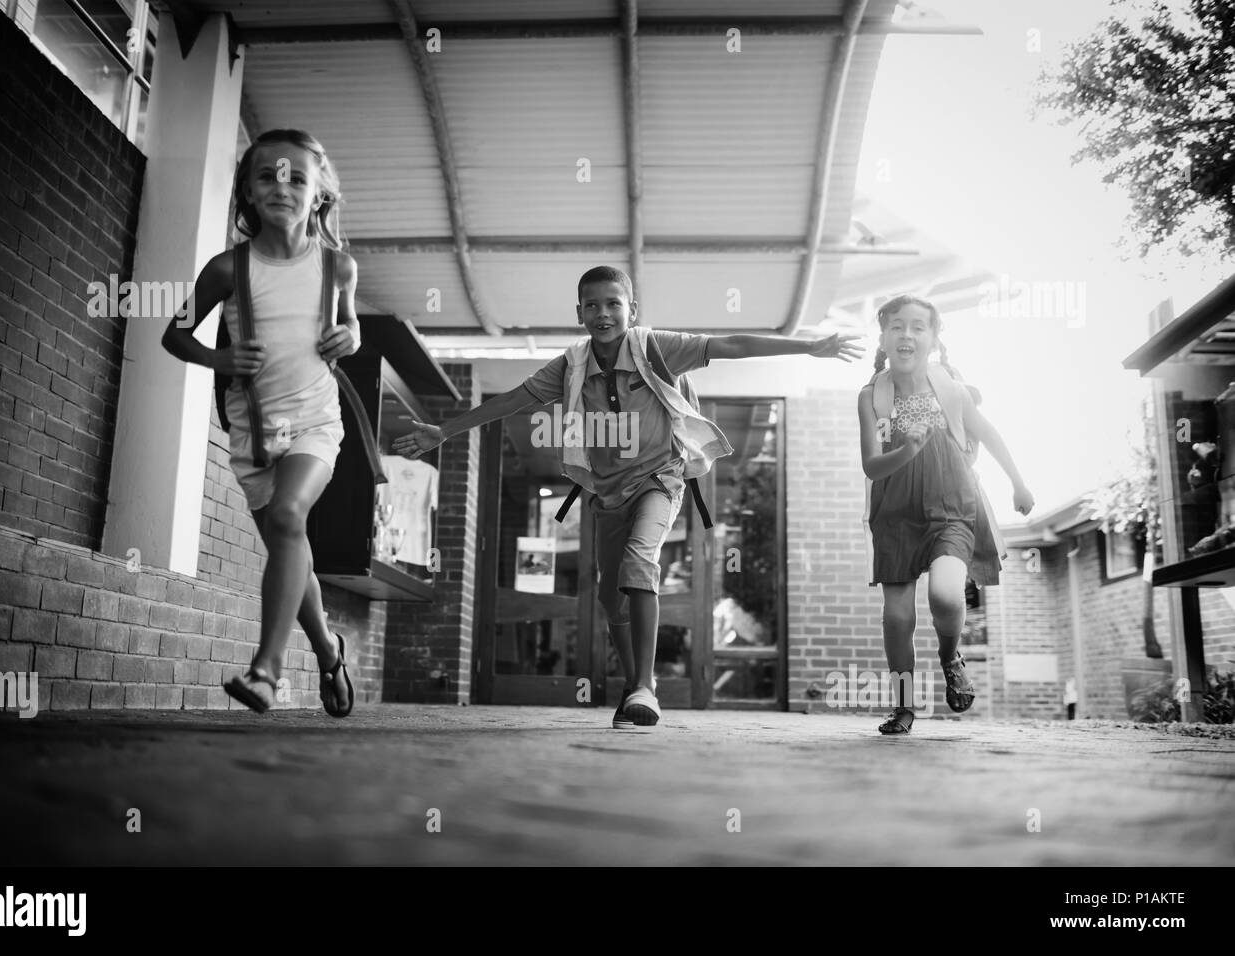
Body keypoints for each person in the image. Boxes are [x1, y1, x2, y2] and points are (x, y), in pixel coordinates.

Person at [394, 265, 863, 729]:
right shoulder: (572, 365)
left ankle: (645, 687)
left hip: (661, 478)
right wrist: (445, 430)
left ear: (632, 309)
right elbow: (513, 400)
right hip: (607, 492)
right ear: (579, 313)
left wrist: (809, 346)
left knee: (641, 561)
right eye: (593, 305)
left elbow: (732, 345)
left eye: (614, 304)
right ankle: (631, 687)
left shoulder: (654, 347)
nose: (604, 313)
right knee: (608, 597)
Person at [161, 129, 359, 717]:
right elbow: (173, 333)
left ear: (319, 195)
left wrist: (349, 336)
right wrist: (218, 359)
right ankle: (328, 650)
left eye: (298, 177)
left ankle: (266, 671)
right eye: (267, 175)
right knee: (287, 541)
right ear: (246, 191)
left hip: (315, 421)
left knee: (289, 515)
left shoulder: (337, 267)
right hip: (254, 430)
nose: (282, 186)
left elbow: (351, 329)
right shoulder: (226, 269)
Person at [858, 294, 1034, 735]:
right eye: (897, 325)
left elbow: (987, 433)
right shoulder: (872, 396)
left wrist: (1018, 481)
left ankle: (949, 655)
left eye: (919, 326)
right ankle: (903, 706)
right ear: (883, 336)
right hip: (895, 514)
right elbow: (871, 466)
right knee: (898, 618)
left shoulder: (951, 389)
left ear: (934, 338)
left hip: (952, 508)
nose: (907, 334)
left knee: (946, 596)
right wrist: (907, 448)